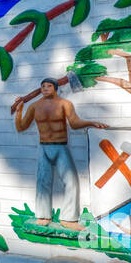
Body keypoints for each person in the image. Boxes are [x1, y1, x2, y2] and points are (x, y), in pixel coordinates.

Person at [12, 78, 109, 228]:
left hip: (60, 146)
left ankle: (68, 219)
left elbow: (75, 123)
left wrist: (91, 122)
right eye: (42, 86)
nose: (45, 88)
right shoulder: (34, 106)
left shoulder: (65, 104)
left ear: (55, 88)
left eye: (48, 86)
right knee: (42, 181)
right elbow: (21, 127)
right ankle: (43, 216)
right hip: (44, 146)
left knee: (71, 182)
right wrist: (19, 112)